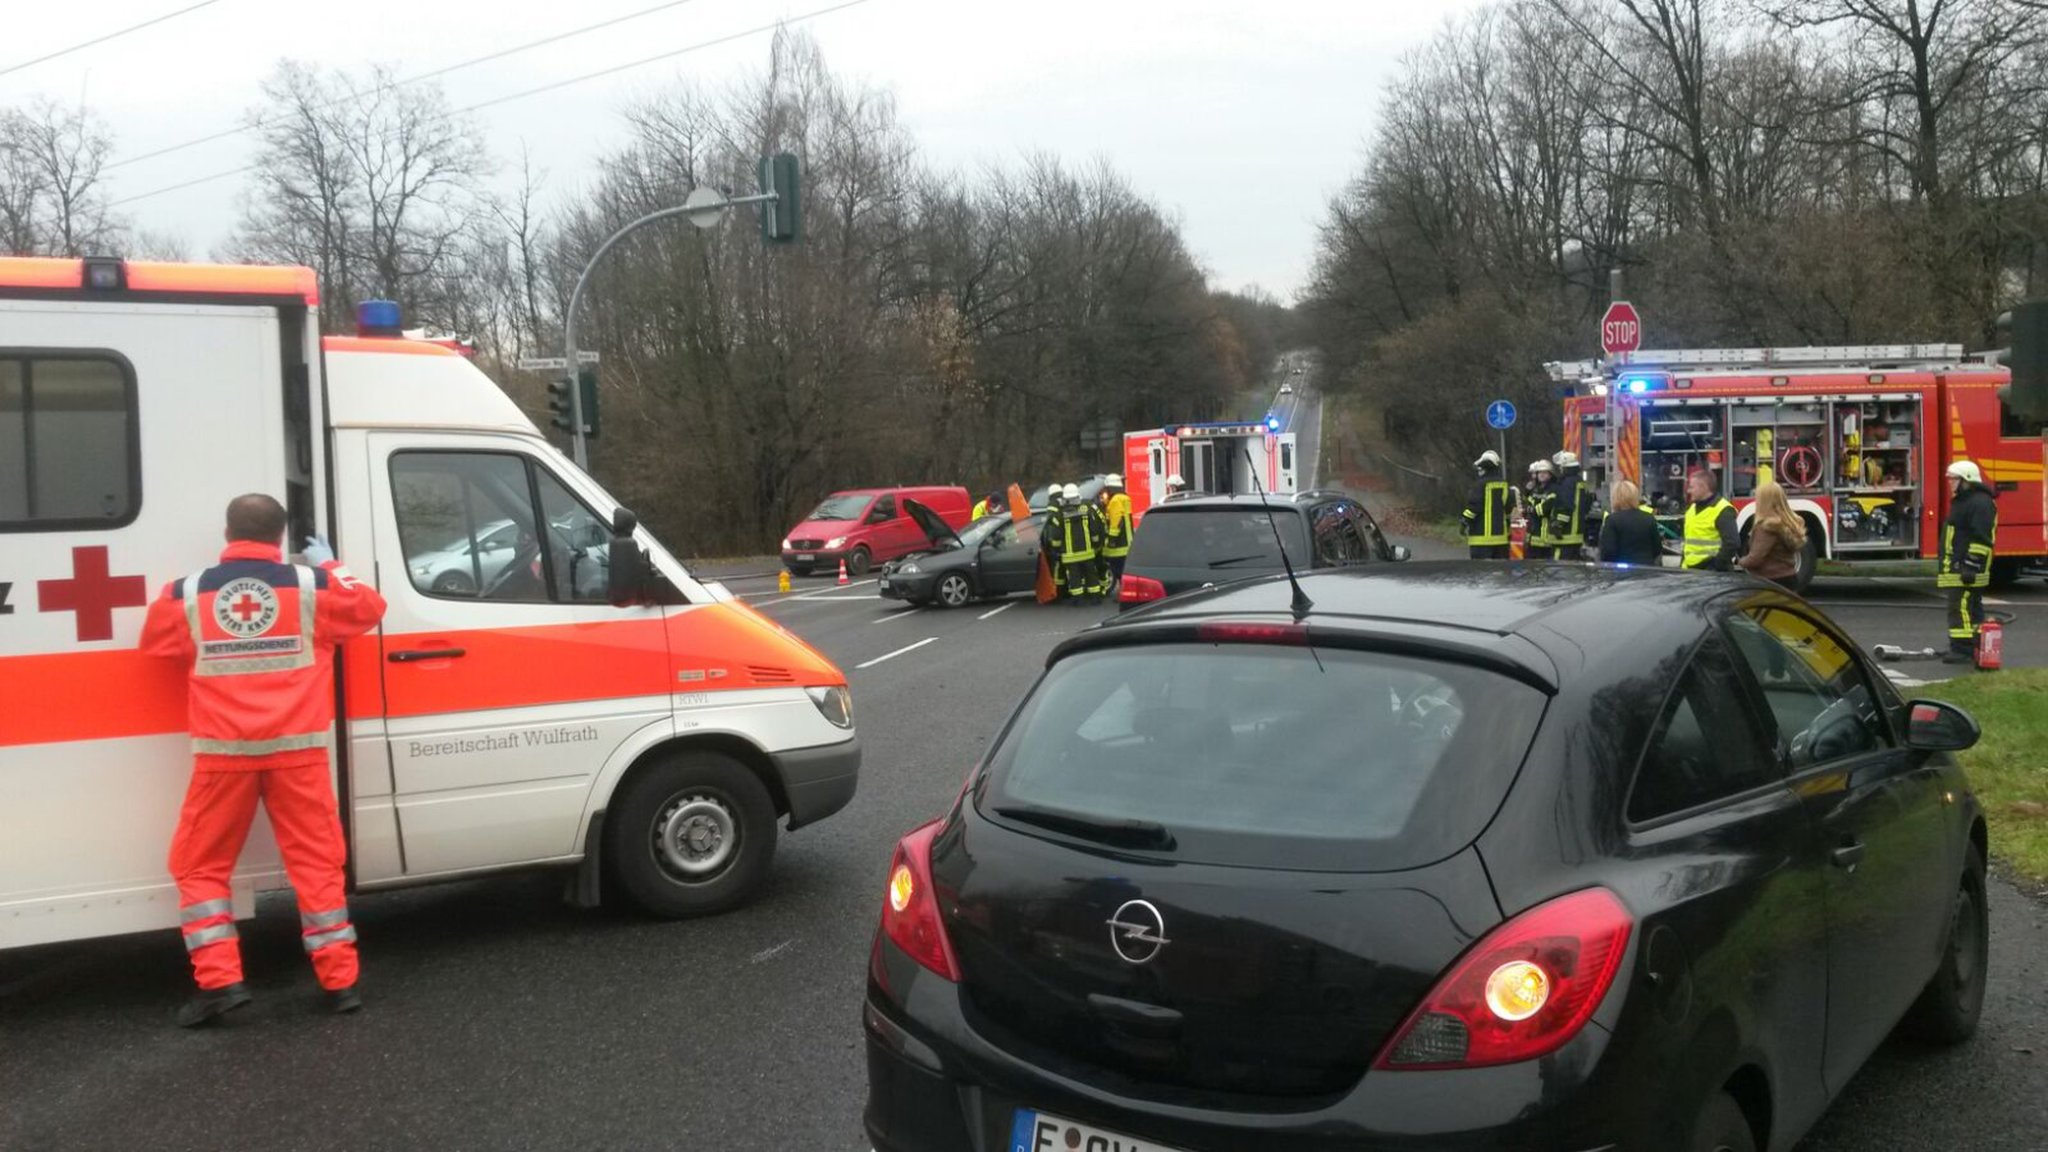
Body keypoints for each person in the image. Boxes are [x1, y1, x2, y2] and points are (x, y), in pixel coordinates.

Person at [140, 494, 387, 1026]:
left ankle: (221, 983)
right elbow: (369, 607)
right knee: (316, 865)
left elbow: (157, 647)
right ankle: (340, 983)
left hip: (223, 755)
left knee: (199, 867)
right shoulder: (311, 587)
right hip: (297, 754)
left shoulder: (183, 593)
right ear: (281, 537)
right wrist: (330, 564)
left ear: (228, 532)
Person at [1938, 460, 1998, 665]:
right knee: (1970, 607)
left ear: (1967, 480)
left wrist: (1971, 565)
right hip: (1959, 565)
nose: (1950, 483)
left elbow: (1981, 538)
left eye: (1954, 479)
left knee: (1959, 606)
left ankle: (1962, 649)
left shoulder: (1979, 503)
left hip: (1967, 567)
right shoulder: (1965, 500)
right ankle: (1974, 644)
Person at [1736, 480, 1806, 588]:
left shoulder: (1766, 527)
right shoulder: (1788, 523)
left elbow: (1755, 559)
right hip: (1789, 578)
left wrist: (1739, 562)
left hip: (1770, 582)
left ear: (1763, 501)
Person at [1681, 469, 1739, 571]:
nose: (1688, 491)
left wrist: (1715, 566)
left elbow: (1732, 543)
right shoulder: (1691, 509)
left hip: (1712, 573)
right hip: (1690, 570)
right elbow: (1688, 542)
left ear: (1703, 487)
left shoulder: (1723, 510)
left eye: (1691, 487)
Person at [1056, 483, 1106, 601]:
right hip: (1087, 552)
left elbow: (1057, 534)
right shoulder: (1086, 512)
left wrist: (1057, 549)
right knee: (1091, 574)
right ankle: (1095, 598)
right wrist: (1097, 544)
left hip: (1070, 555)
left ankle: (1078, 599)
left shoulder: (1060, 514)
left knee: (1075, 577)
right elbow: (1094, 530)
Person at [1597, 480, 1663, 566]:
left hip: (1621, 572)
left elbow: (1608, 552)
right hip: (1647, 571)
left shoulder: (1612, 520)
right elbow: (1657, 548)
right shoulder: (1649, 518)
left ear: (1615, 498)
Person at [1461, 450, 1510, 560]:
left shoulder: (1480, 485)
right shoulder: (1504, 484)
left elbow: (1474, 507)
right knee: (1500, 573)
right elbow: (1509, 509)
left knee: (1481, 573)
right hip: (1501, 539)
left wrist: (1464, 521)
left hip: (1480, 539)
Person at [1550, 451, 1595, 562]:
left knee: (1559, 567)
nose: (1560, 469)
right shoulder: (1580, 481)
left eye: (1561, 467)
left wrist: (1558, 524)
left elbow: (1565, 505)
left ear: (1565, 467)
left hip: (1566, 534)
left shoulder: (1567, 483)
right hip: (1577, 534)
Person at [1100, 475, 1133, 592]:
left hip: (1119, 544)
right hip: (1127, 541)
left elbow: (1116, 522)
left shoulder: (1115, 501)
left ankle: (1124, 592)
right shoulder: (1124, 498)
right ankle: (1125, 590)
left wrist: (1112, 540)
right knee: (1124, 569)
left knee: (1118, 570)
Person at [1523, 459, 1557, 559]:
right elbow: (1527, 504)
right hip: (1533, 538)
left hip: (1546, 538)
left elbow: (1545, 509)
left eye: (1545, 472)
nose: (1541, 475)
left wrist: (1532, 509)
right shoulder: (1535, 490)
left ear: (1550, 474)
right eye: (1539, 472)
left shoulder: (1553, 489)